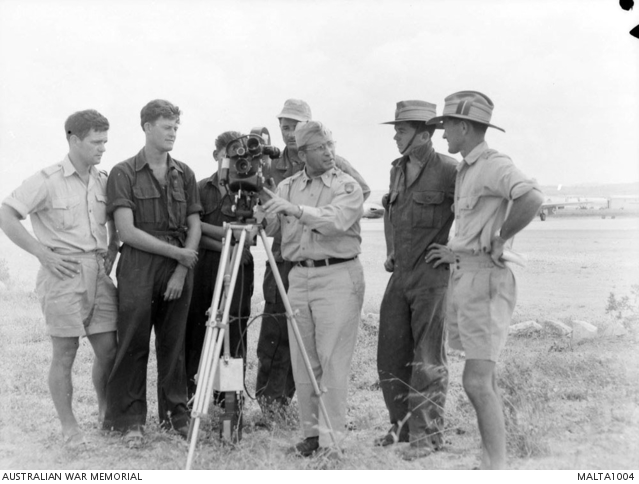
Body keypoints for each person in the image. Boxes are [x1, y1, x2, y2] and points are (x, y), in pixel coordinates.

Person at [426, 91, 543, 469]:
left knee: (476, 381)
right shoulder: (467, 168)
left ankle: (496, 467)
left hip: (486, 282)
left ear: (464, 126)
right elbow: (473, 224)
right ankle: (494, 462)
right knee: (480, 380)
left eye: (446, 126)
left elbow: (532, 197)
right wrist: (456, 251)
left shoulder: (493, 164)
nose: (443, 134)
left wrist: (501, 237)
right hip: (467, 275)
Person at [0, 109, 118, 447]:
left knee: (109, 350)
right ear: (74, 139)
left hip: (98, 273)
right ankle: (70, 429)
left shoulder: (103, 179)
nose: (102, 148)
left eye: (105, 142)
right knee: (65, 354)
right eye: (96, 142)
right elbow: (6, 213)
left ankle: (104, 412)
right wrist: (41, 253)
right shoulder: (47, 180)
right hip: (62, 275)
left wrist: (114, 246)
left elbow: (113, 216)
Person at [256, 99, 370, 418]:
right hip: (289, 267)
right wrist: (263, 211)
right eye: (284, 125)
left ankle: (322, 429)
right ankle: (288, 417)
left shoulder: (339, 172)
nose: (288, 132)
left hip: (332, 268)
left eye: (294, 126)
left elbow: (349, 206)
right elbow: (270, 222)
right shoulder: (278, 175)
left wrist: (307, 210)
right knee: (289, 346)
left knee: (327, 354)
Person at [103, 99, 202, 446]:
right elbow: (126, 232)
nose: (173, 133)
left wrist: (179, 269)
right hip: (138, 266)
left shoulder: (185, 173)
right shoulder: (123, 172)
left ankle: (176, 416)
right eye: (166, 126)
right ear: (146, 127)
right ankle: (129, 421)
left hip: (178, 268)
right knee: (133, 342)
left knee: (174, 344)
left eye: (176, 127)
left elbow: (194, 226)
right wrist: (178, 253)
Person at [376, 100, 458, 460]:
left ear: (424, 135)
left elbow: (476, 212)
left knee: (427, 356)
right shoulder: (397, 169)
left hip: (431, 276)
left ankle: (428, 437)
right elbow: (389, 210)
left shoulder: (450, 170)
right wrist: (391, 248)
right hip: (402, 274)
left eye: (401, 130)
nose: (395, 136)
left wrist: (456, 251)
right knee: (390, 354)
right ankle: (402, 427)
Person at [185, 130, 254, 402]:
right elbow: (191, 230)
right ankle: (193, 396)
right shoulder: (200, 188)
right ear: (217, 155)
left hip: (238, 269)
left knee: (235, 332)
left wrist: (209, 232)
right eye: (229, 155)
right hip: (204, 267)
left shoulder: (248, 191)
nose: (235, 162)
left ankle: (229, 400)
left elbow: (248, 236)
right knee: (197, 331)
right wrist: (228, 239)